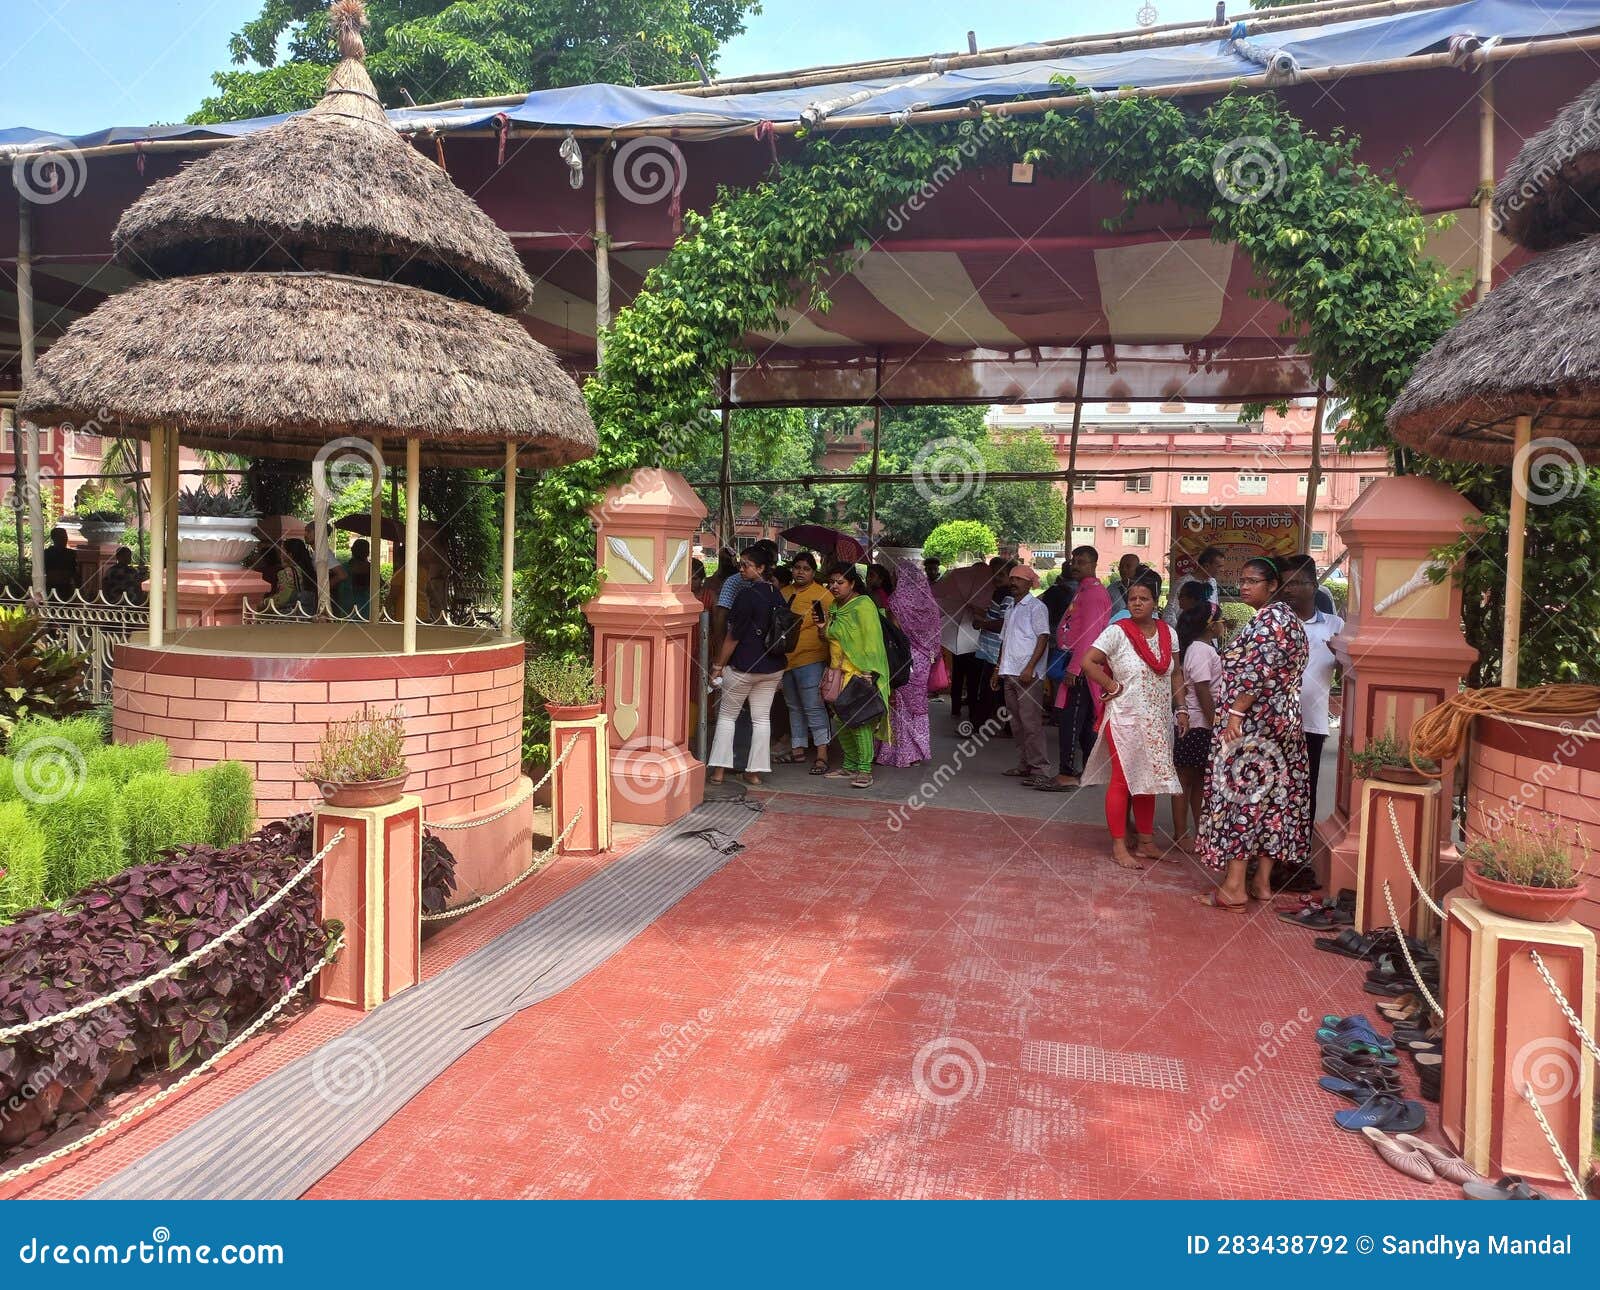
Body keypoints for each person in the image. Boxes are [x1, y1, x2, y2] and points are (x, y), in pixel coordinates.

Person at [1193, 556, 1311, 908]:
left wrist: (1234, 713)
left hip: (1253, 724)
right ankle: (1260, 883)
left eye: (1253, 581)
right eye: (1242, 580)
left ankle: (1233, 888)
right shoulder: (1289, 619)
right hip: (1282, 722)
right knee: (1274, 799)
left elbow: (1258, 671)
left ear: (1272, 586)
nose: (1244, 586)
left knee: (1241, 796)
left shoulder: (1269, 621)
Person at [1078, 576, 1185, 870]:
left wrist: (1182, 708)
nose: (1137, 603)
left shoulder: (1169, 633)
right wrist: (1111, 686)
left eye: (1144, 598)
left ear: (1156, 602)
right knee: (1123, 780)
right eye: (1133, 599)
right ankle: (1119, 845)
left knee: (1147, 780)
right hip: (1124, 717)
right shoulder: (1117, 632)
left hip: (1158, 719)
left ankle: (1147, 842)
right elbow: (1088, 663)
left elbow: (1176, 673)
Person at [708, 547, 788, 787]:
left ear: (761, 568)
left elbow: (733, 636)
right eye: (740, 564)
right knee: (762, 719)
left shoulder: (746, 595)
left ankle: (719, 772)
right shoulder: (777, 594)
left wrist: (717, 666)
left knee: (726, 718)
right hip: (772, 666)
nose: (740, 569)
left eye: (746, 565)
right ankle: (754, 773)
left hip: (743, 666)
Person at [1039, 546, 1112, 791]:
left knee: (1071, 721)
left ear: (1093, 564)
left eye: (1081, 561)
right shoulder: (1084, 589)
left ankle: (1067, 773)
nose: (1075, 565)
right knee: (1083, 723)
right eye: (1073, 560)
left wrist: (1074, 669)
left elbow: (1089, 635)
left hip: (1080, 667)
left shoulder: (1092, 593)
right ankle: (1090, 772)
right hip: (1079, 664)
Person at [1281, 553, 1344, 822]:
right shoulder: (1274, 624)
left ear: (1314, 585)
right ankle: (1266, 861)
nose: (1291, 589)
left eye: (1298, 582)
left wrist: (1341, 655)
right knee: (1271, 792)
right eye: (1286, 584)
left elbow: (1349, 675)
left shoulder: (1335, 626)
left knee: (1305, 793)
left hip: (1311, 725)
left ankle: (1298, 857)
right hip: (1274, 723)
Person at [820, 564, 891, 788]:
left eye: (840, 582)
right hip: (836, 672)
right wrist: (823, 628)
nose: (834, 586)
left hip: (859, 672)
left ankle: (864, 770)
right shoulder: (833, 606)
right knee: (839, 720)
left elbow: (872, 641)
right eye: (831, 582)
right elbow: (830, 636)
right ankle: (849, 765)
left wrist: (869, 672)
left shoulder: (863, 606)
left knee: (859, 722)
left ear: (852, 583)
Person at [876, 552, 941, 767]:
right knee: (919, 704)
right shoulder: (930, 603)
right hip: (924, 659)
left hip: (903, 659)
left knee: (899, 704)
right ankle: (919, 751)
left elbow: (895, 635)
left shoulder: (896, 601)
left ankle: (899, 753)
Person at [1171, 598, 1224, 849]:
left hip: (1196, 722)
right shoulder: (1203, 651)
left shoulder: (1197, 648)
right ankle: (1182, 834)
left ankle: (1197, 833)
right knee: (1188, 780)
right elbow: (1203, 690)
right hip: (1197, 723)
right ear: (1212, 625)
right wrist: (1215, 723)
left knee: (1197, 781)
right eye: (1222, 621)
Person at [994, 565, 1052, 783]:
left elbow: (1043, 637)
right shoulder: (1011, 608)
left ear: (1030, 583)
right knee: (1017, 724)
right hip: (1009, 671)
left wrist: (1030, 667)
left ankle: (1040, 770)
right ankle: (1025, 764)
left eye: (1018, 579)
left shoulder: (1036, 607)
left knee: (1031, 724)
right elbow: (1005, 641)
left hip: (1027, 674)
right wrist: (997, 668)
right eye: (1012, 579)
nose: (1013, 583)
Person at [777, 551, 833, 774]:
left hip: (811, 659)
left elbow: (830, 629)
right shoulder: (783, 593)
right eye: (797, 567)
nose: (800, 572)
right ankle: (798, 750)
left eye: (806, 568)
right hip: (785, 660)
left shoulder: (823, 596)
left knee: (813, 706)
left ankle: (822, 754)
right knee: (793, 706)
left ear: (813, 572)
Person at [935, 556, 997, 734]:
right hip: (975, 641)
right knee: (973, 680)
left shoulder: (961, 596)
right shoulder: (985, 593)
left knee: (960, 676)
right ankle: (970, 711)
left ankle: (958, 708)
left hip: (961, 638)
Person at [972, 559, 1015, 732]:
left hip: (998, 651)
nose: (997, 578)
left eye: (1001, 575)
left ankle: (977, 725)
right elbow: (995, 617)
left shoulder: (1008, 597)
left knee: (989, 689)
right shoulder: (998, 593)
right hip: (990, 649)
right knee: (997, 691)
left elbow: (1004, 623)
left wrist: (982, 623)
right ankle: (1008, 727)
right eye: (995, 574)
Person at [1167, 545, 1225, 622]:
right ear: (1206, 566)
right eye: (1219, 566)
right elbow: (1170, 612)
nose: (1222, 570)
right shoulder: (1183, 583)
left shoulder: (1212, 582)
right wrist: (1178, 632)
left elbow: (1214, 607)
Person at [335, 537, 371, 619]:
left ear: (352, 550)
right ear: (367, 553)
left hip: (348, 607)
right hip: (364, 608)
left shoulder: (343, 568)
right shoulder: (372, 569)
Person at [42, 528, 80, 598]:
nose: (64, 539)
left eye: (65, 537)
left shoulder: (71, 553)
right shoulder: (47, 553)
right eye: (61, 537)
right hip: (51, 587)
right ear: (54, 538)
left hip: (66, 588)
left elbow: (75, 572)